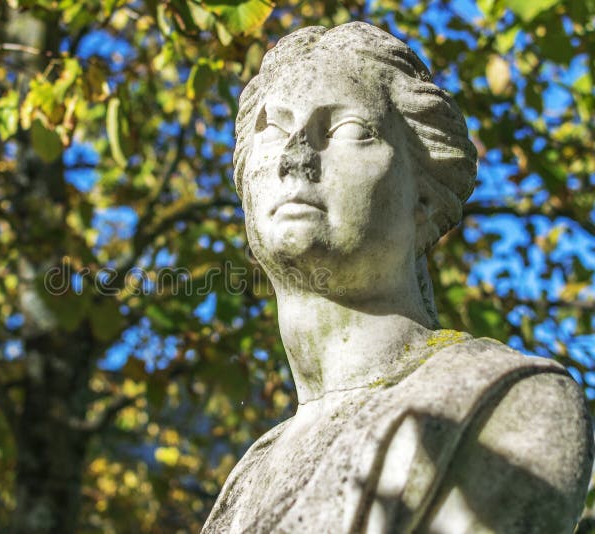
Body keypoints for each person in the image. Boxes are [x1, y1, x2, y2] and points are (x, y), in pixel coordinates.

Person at [202, 22, 592, 533]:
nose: (294, 159)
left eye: (346, 130)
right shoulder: (249, 478)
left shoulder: (504, 406)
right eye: (272, 130)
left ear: (424, 200)